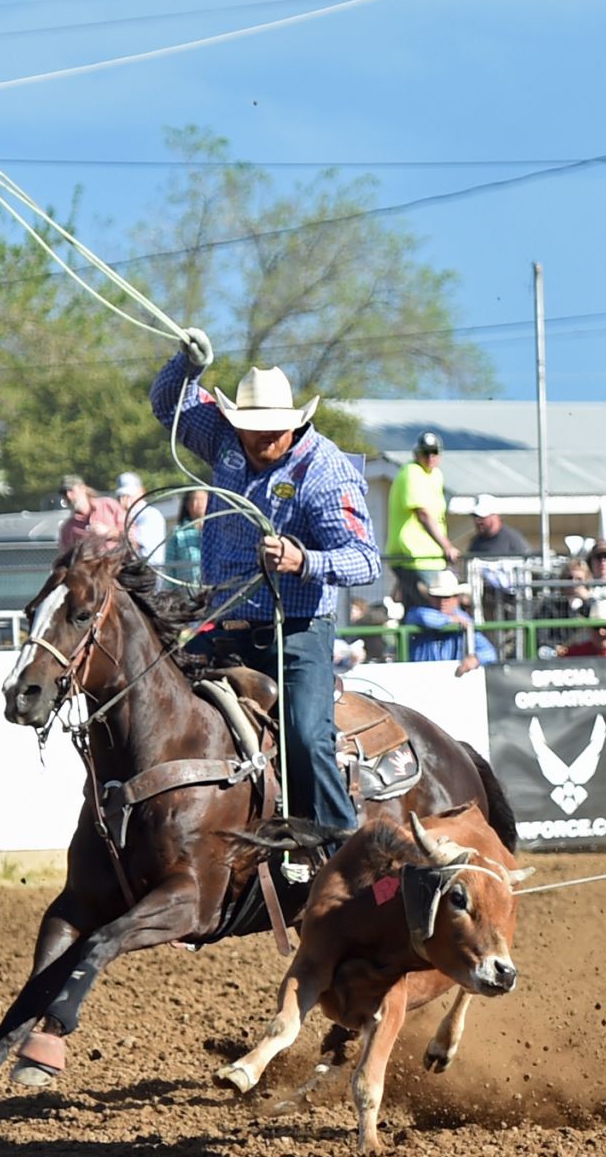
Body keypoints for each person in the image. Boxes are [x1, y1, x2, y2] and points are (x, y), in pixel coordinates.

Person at [153, 337, 379, 853]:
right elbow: (168, 404)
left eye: (272, 431)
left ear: (294, 423)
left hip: (295, 631)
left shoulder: (323, 472)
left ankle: (344, 850)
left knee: (304, 736)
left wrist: (306, 561)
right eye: (252, 431)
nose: (261, 441)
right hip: (224, 622)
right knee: (159, 701)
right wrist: (188, 363)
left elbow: (364, 559)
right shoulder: (224, 440)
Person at [383, 432, 458, 608]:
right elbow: (423, 514)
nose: (430, 457)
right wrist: (447, 546)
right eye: (426, 453)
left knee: (419, 608)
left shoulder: (435, 475)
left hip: (431, 557)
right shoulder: (412, 473)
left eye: (434, 452)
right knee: (437, 607)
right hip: (414, 556)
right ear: (417, 454)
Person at [402, 569, 495, 673]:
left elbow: (489, 653)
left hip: (451, 677)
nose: (442, 602)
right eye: (437, 597)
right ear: (430, 598)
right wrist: (451, 620)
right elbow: (423, 617)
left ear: (456, 598)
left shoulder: (464, 621)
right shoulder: (419, 614)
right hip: (419, 675)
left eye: (447, 597)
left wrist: (476, 659)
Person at [57, 474, 126, 554]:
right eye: (64, 493)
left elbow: (132, 534)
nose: (68, 496)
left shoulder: (108, 505)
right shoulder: (68, 528)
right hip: (91, 565)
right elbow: (65, 558)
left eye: (71, 490)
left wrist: (109, 533)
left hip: (119, 562)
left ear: (83, 488)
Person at [165, 489, 210, 590]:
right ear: (187, 505)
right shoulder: (178, 533)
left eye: (202, 499)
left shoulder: (217, 530)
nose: (199, 504)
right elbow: (169, 567)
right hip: (187, 594)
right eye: (194, 500)